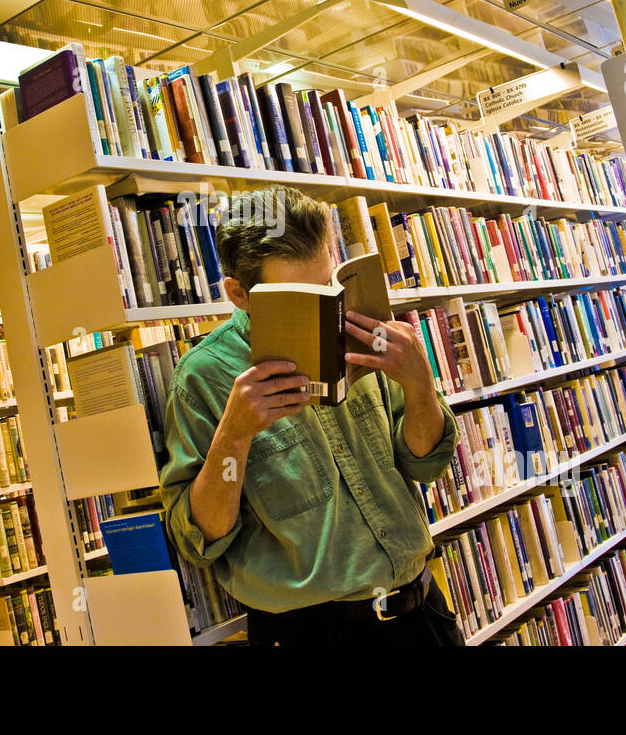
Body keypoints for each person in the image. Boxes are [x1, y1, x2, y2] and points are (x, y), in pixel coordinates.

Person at [159, 185, 464, 646]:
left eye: (326, 288)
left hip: (420, 616)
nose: (326, 308)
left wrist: (419, 384)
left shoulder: (363, 329)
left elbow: (427, 463)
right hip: (311, 634)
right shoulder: (203, 377)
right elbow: (199, 540)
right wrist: (235, 436)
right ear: (239, 294)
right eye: (295, 296)